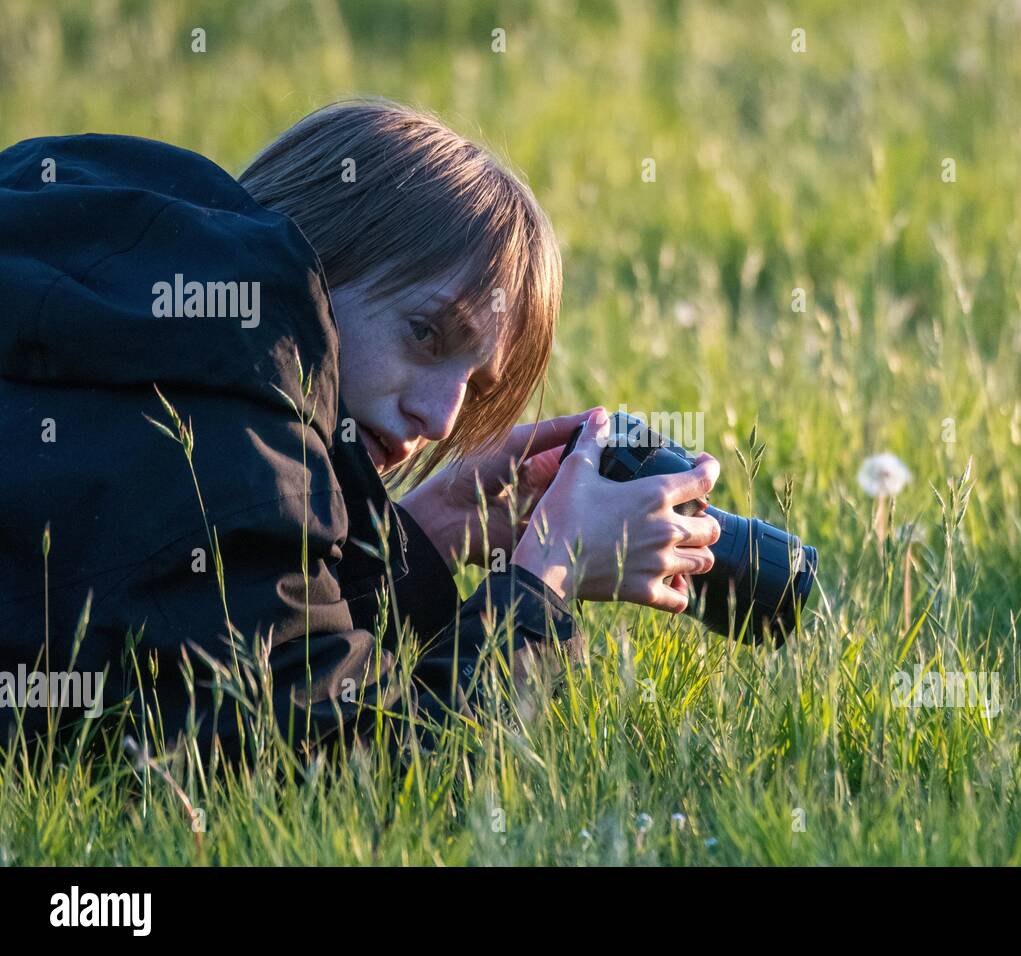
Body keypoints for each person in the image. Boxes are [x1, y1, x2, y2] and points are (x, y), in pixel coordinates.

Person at [0, 99, 721, 754]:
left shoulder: (133, 306)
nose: (440, 419)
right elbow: (354, 770)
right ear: (318, 248)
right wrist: (545, 583)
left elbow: (238, 631)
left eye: (473, 388)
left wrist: (418, 538)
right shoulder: (233, 443)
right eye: (426, 333)